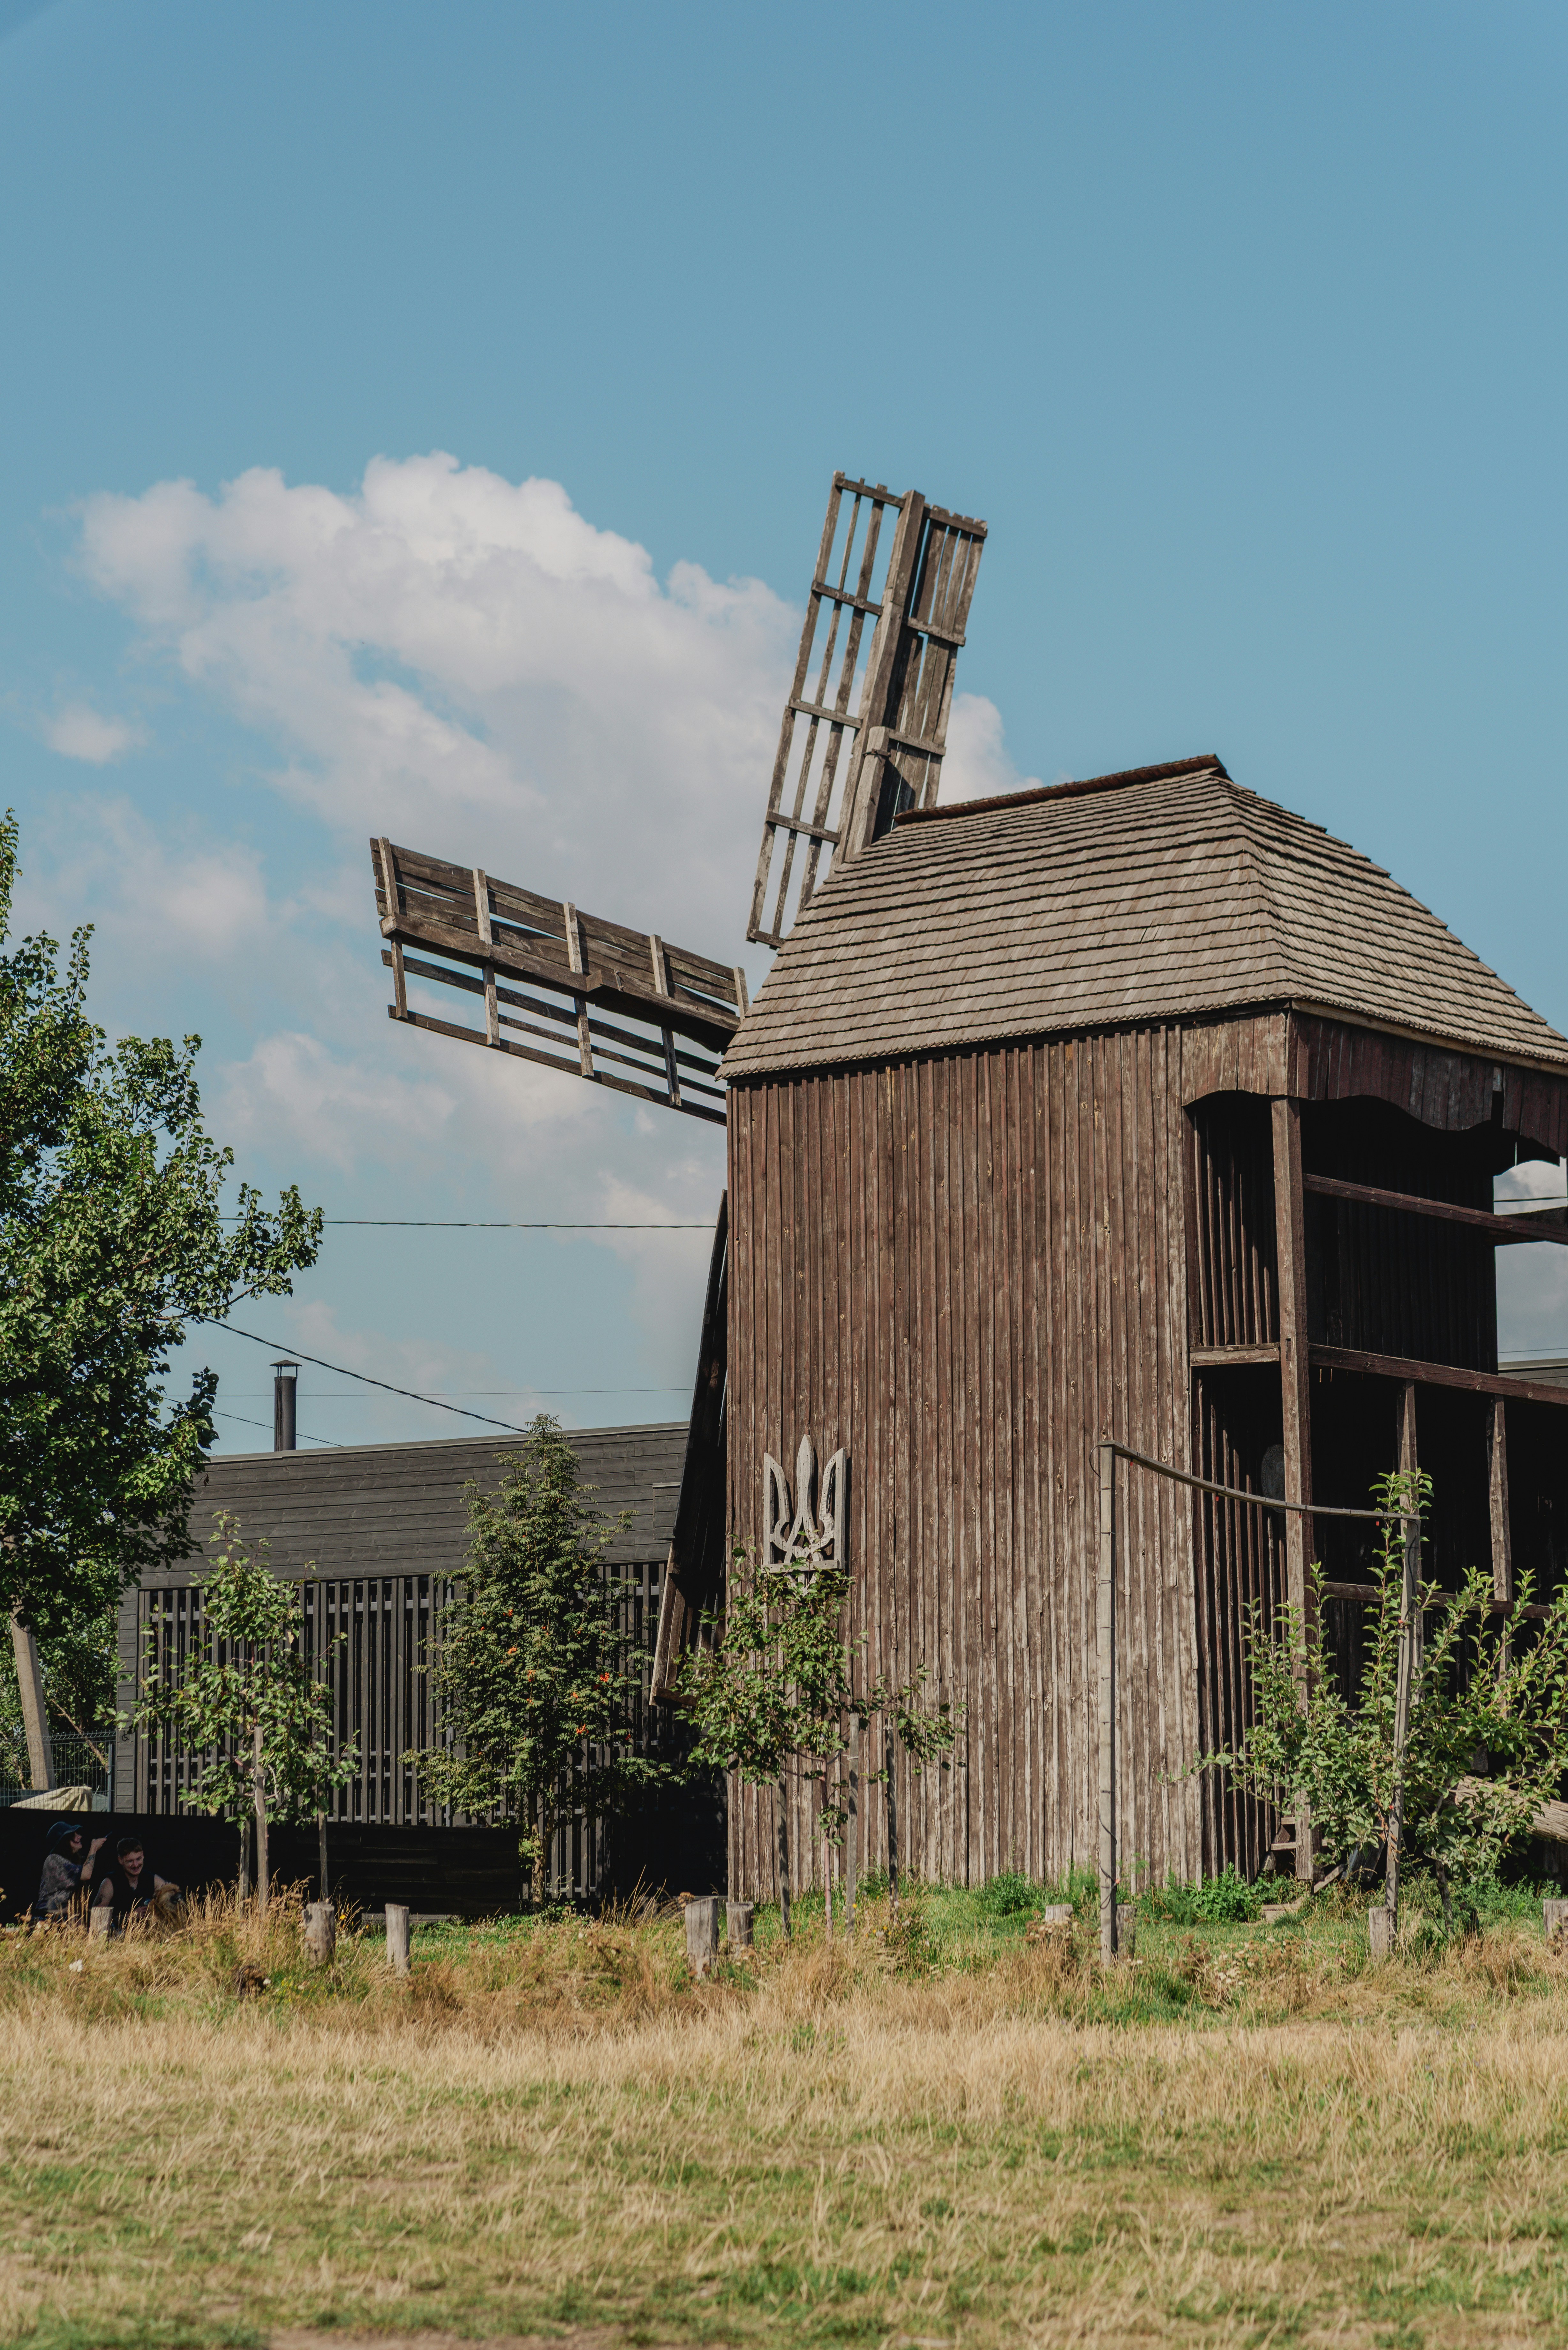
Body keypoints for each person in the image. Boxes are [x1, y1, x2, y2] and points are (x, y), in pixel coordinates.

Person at [91, 1836, 178, 1932]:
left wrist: (170, 1895)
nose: (136, 1865)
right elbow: (97, 1917)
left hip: (146, 1936)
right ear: (120, 1860)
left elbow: (174, 1904)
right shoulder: (110, 1883)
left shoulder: (153, 1879)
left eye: (139, 1859)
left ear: (143, 1855)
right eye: (130, 1861)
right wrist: (130, 1917)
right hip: (117, 1936)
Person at [32, 1819, 107, 1922]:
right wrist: (94, 1848)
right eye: (73, 1835)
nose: (79, 1837)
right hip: (48, 1919)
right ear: (63, 1841)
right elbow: (86, 1874)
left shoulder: (72, 1862)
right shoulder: (53, 1860)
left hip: (63, 1918)